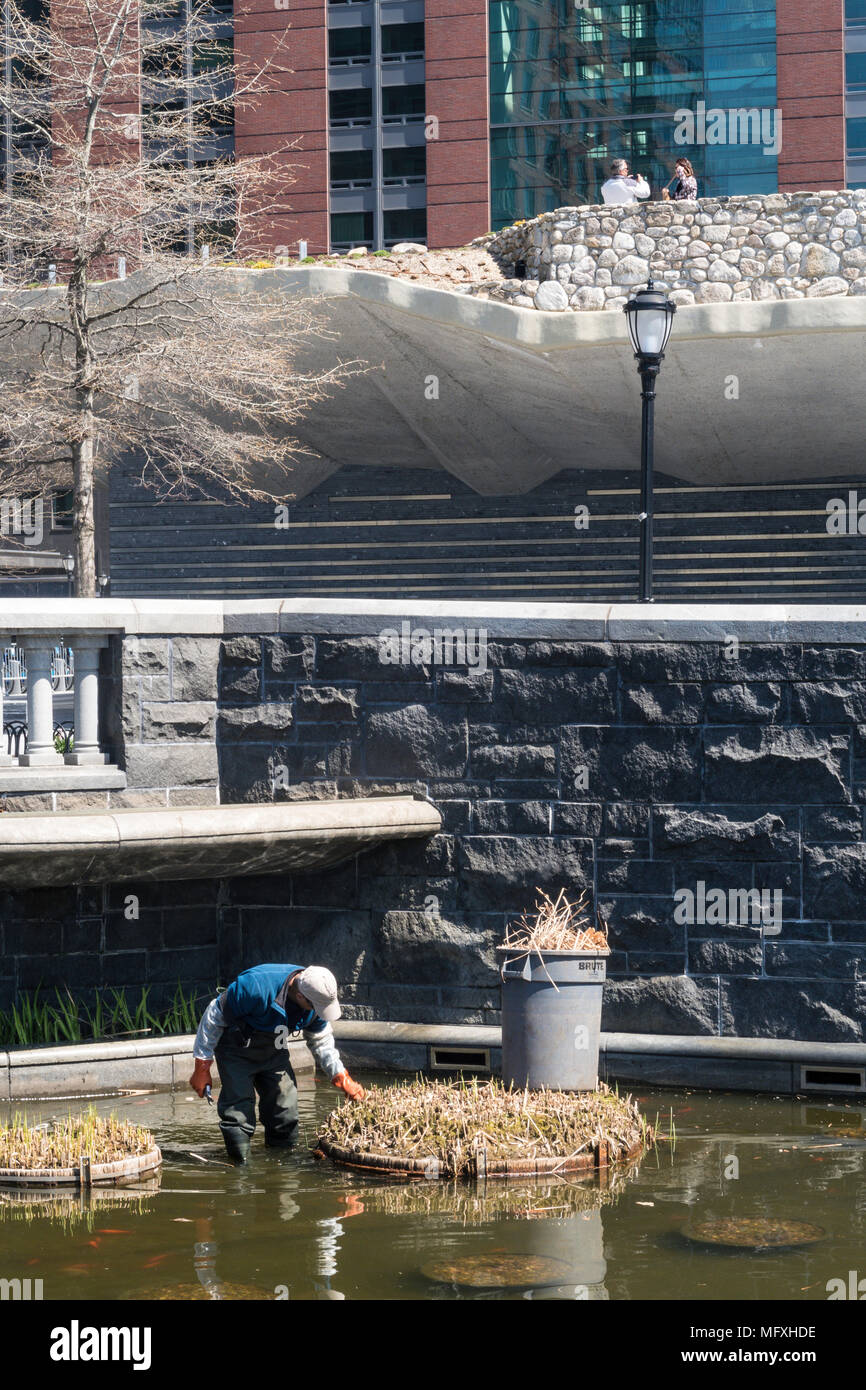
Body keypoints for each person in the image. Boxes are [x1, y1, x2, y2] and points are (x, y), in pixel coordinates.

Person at [189, 963, 366, 1163]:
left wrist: (341, 1076)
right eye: (315, 1007)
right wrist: (202, 1067)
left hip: (274, 1050)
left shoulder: (316, 998)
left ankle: (283, 1164)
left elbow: (321, 1040)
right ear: (300, 996)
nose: (318, 1012)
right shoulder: (255, 986)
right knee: (238, 1112)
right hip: (236, 1049)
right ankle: (240, 1167)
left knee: (285, 1109)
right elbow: (215, 1014)